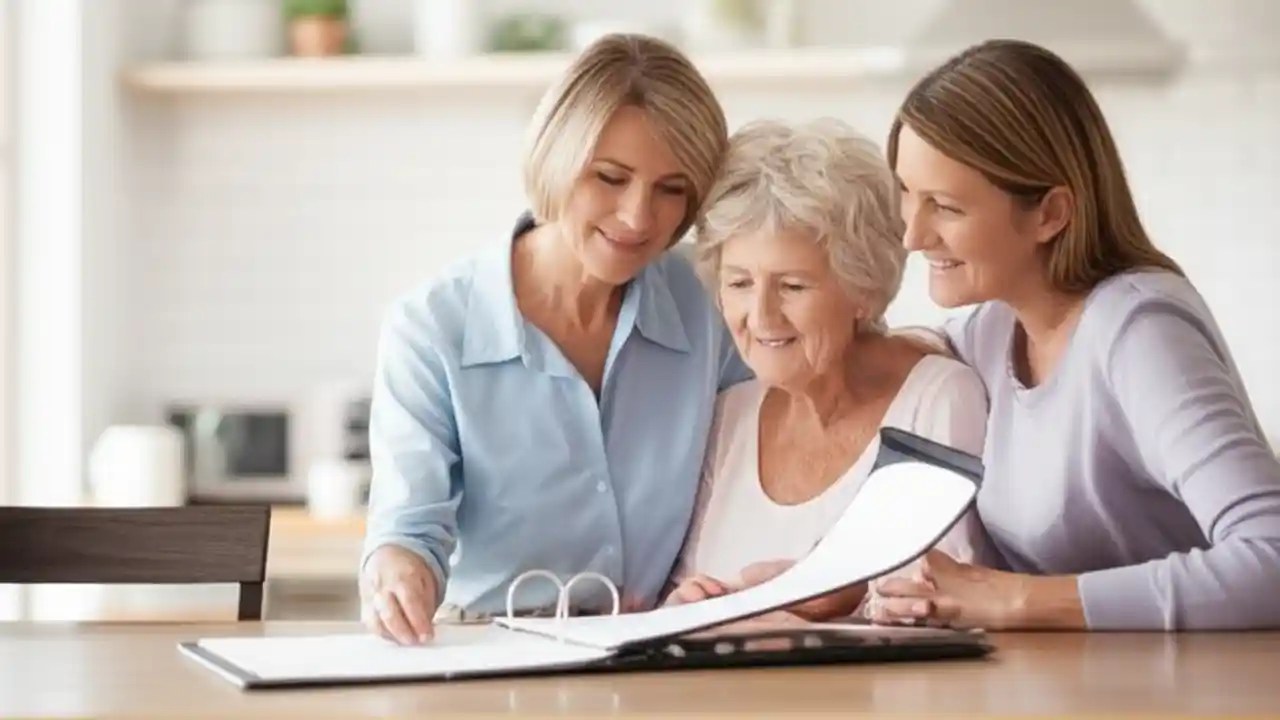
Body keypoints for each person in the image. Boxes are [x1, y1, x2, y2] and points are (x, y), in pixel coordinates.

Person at [871, 39, 1280, 631]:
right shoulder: (989, 332)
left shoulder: (1139, 333)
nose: (912, 236)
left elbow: (1270, 555)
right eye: (906, 194)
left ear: (1050, 214)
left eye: (946, 207)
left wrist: (1020, 601)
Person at [359, 34, 749, 645]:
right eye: (611, 177)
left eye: (671, 189)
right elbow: (407, 531)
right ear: (556, 159)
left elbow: (749, 484)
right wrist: (398, 578)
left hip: (661, 652)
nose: (638, 217)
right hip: (489, 653)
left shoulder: (714, 304)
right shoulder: (432, 327)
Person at [663, 118, 992, 618]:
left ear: (863, 289)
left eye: (792, 286)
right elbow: (689, 595)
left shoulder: (937, 398)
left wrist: (843, 598)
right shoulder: (731, 413)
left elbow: (949, 603)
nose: (762, 317)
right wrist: (688, 605)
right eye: (739, 284)